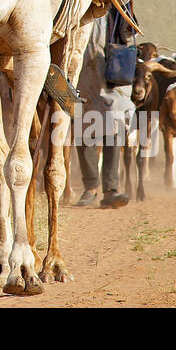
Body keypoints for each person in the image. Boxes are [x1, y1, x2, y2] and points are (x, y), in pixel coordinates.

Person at [75, 12, 134, 209]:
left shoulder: (117, 6)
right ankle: (90, 187)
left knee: (113, 130)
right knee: (85, 128)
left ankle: (110, 190)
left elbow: (129, 31)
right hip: (83, 70)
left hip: (112, 73)